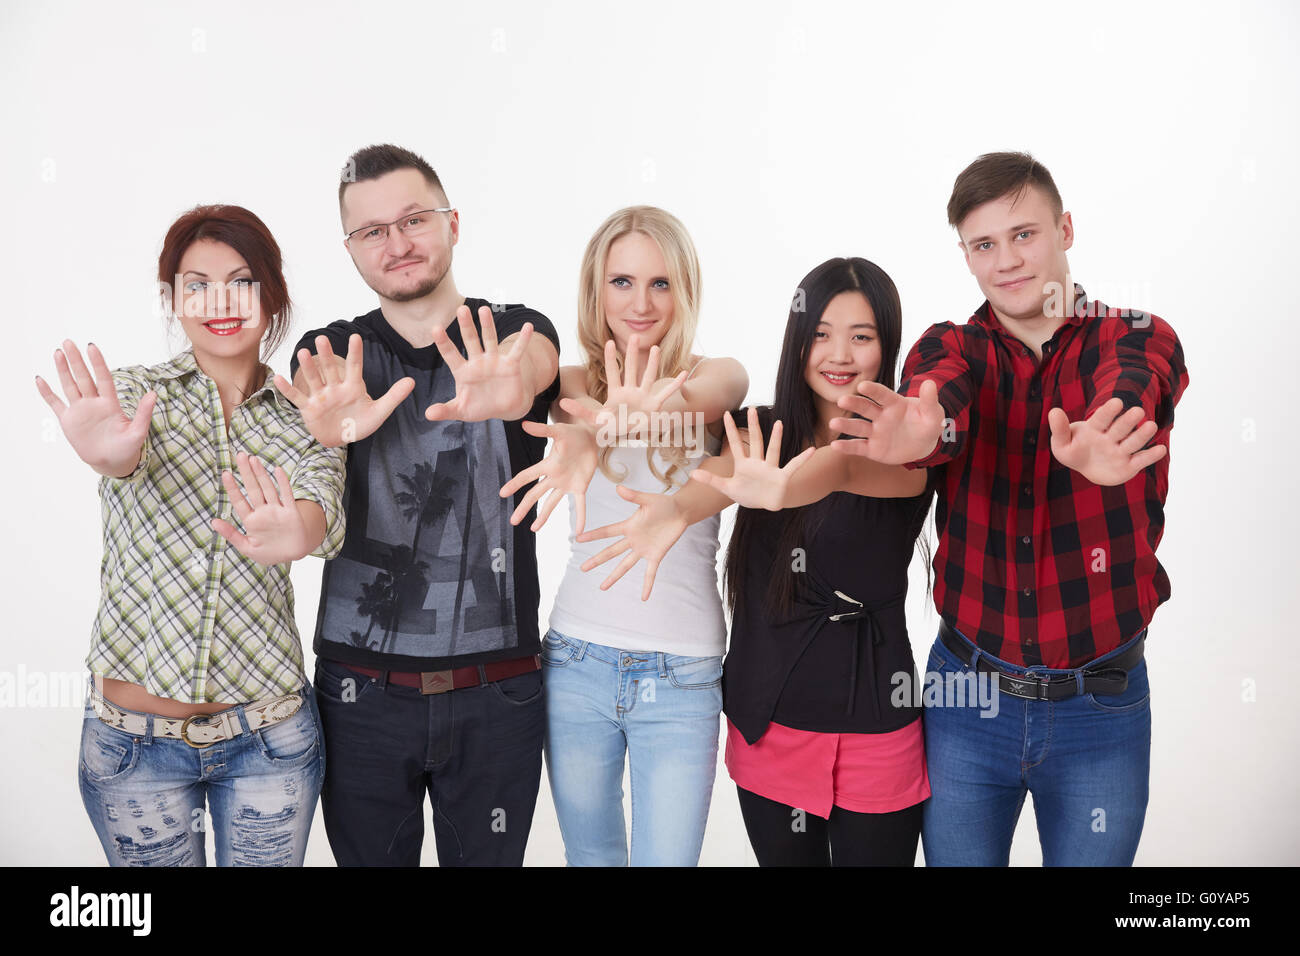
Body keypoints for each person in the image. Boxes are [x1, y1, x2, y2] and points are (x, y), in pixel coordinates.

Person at [831, 151, 1189, 866]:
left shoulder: (1137, 333)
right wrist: (926, 432)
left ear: (1065, 228)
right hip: (969, 702)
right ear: (965, 255)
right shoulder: (950, 346)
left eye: (1023, 234)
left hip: (1102, 709)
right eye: (984, 245)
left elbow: (1134, 381)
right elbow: (940, 400)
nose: (1007, 260)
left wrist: (1108, 428)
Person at [579, 257, 933, 866]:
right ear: (797, 343)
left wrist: (784, 489)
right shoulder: (758, 431)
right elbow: (715, 478)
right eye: (820, 333)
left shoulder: (907, 448)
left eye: (862, 336)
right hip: (771, 725)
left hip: (879, 725)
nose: (838, 353)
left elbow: (845, 466)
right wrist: (674, 509)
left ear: (887, 346)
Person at [36, 204, 347, 866]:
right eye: (196, 284)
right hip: (133, 746)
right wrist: (108, 454)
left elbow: (322, 519)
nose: (219, 302)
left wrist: (296, 530)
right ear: (172, 300)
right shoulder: (130, 398)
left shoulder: (306, 416)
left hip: (268, 743)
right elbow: (121, 455)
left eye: (240, 280)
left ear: (272, 291)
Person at [276, 144, 560, 866]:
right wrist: (327, 435)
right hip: (361, 697)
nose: (397, 244)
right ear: (350, 250)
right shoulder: (329, 353)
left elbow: (533, 366)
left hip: (501, 691)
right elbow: (309, 464)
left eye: (414, 220)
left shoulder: (515, 333)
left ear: (454, 223)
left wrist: (515, 390)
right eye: (372, 231)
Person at [499, 206, 747, 865]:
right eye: (623, 282)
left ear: (685, 290)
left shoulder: (718, 376)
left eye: (661, 284)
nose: (641, 303)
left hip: (683, 676)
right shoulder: (576, 382)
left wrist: (654, 407)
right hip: (577, 664)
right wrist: (588, 434)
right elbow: (572, 408)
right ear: (596, 290)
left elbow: (715, 392)